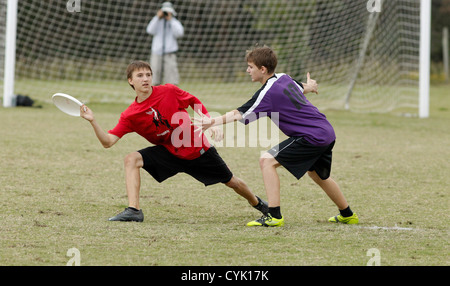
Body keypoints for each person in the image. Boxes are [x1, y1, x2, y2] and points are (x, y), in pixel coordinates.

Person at [79, 60, 268, 222]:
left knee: (232, 182)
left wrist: (209, 122)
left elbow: (194, 101)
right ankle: (134, 210)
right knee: (131, 159)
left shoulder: (168, 91)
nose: (145, 79)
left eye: (148, 74)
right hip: (169, 152)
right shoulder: (130, 115)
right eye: (139, 75)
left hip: (197, 151)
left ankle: (259, 204)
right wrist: (93, 121)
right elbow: (108, 142)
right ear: (130, 81)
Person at [194, 46, 358, 227]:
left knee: (267, 161)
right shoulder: (283, 77)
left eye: (250, 67)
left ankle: (274, 215)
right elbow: (298, 87)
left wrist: (212, 122)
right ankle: (347, 214)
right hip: (326, 131)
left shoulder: (267, 92)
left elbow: (240, 112)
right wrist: (309, 87)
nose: (248, 70)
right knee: (319, 175)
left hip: (312, 136)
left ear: (262, 69)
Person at [146, 2, 184, 86]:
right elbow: (149, 30)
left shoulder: (175, 22)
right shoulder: (157, 21)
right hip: (157, 52)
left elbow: (179, 33)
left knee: (171, 78)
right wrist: (157, 17)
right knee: (154, 76)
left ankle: (170, 95)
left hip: (170, 53)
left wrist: (170, 20)